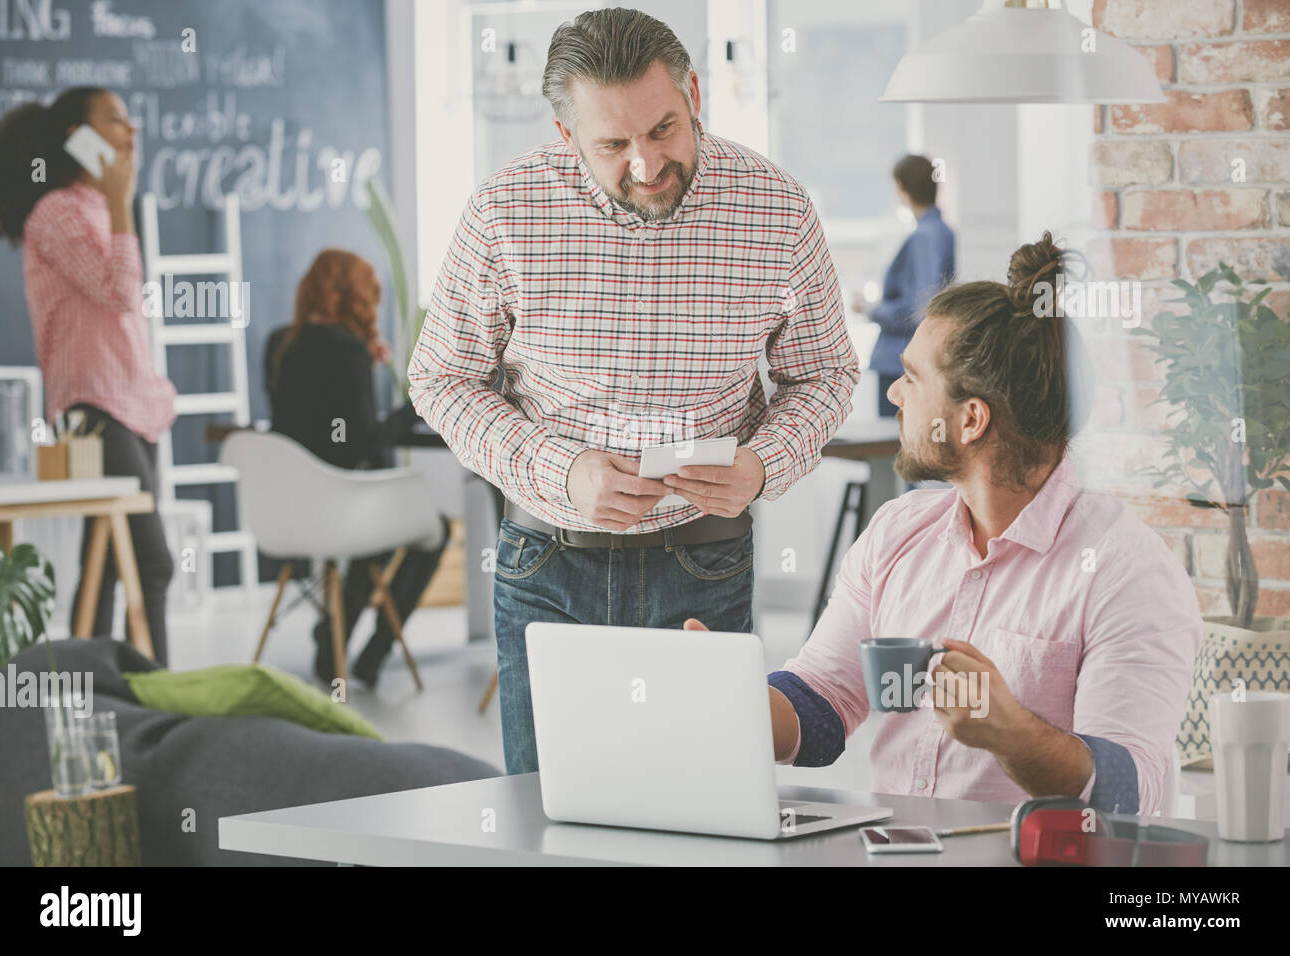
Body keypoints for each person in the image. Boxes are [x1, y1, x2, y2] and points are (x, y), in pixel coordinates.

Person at [408, 8, 861, 775]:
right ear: (564, 136)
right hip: (545, 565)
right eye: (613, 145)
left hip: (703, 568)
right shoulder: (503, 213)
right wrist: (561, 471)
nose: (647, 165)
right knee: (544, 824)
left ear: (693, 93)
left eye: (664, 129)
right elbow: (440, 376)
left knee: (697, 815)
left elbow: (825, 374)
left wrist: (760, 466)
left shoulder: (779, 210)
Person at [689, 233, 1201, 816]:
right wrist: (732, 702)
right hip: (893, 855)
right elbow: (825, 703)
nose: (893, 392)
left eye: (912, 376)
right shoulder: (897, 533)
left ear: (970, 420)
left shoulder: (1125, 571)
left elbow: (1133, 790)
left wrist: (1010, 732)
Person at [0, 87, 177, 665]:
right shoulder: (59, 211)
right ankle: (156, 700)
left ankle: (93, 696)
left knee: (111, 560)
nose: (132, 132)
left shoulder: (95, 208)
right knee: (150, 562)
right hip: (95, 409)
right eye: (116, 121)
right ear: (80, 136)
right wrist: (122, 203)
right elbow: (120, 292)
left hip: (132, 406)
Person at [264, 249, 449, 690]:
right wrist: (416, 404)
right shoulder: (346, 351)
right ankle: (372, 652)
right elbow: (359, 442)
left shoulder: (280, 343)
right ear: (354, 297)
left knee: (377, 539)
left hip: (289, 510)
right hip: (341, 509)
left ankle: (333, 639)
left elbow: (317, 425)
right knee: (433, 532)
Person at [853, 155, 955, 418]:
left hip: (901, 363)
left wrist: (870, 309)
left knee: (894, 451)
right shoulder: (941, 232)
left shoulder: (925, 237)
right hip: (915, 362)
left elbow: (920, 308)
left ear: (901, 187)